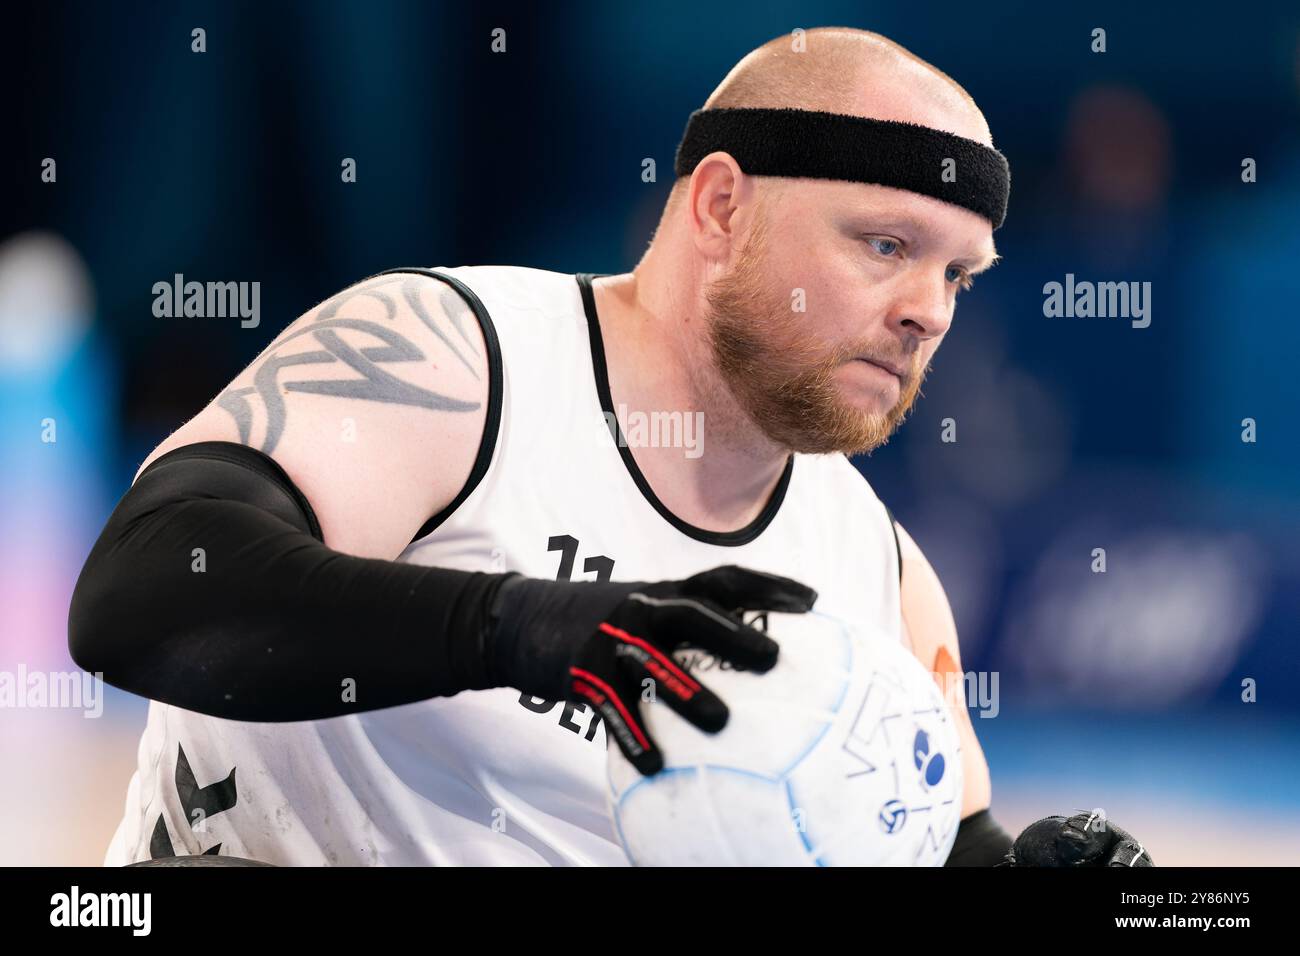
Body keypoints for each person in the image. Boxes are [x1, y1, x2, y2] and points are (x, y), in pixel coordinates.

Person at [70, 27, 1147, 867]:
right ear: (722, 207)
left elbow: (934, 843)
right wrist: (512, 622)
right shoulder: (453, 357)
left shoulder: (880, 575)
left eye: (958, 275)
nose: (929, 312)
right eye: (886, 245)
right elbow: (138, 590)